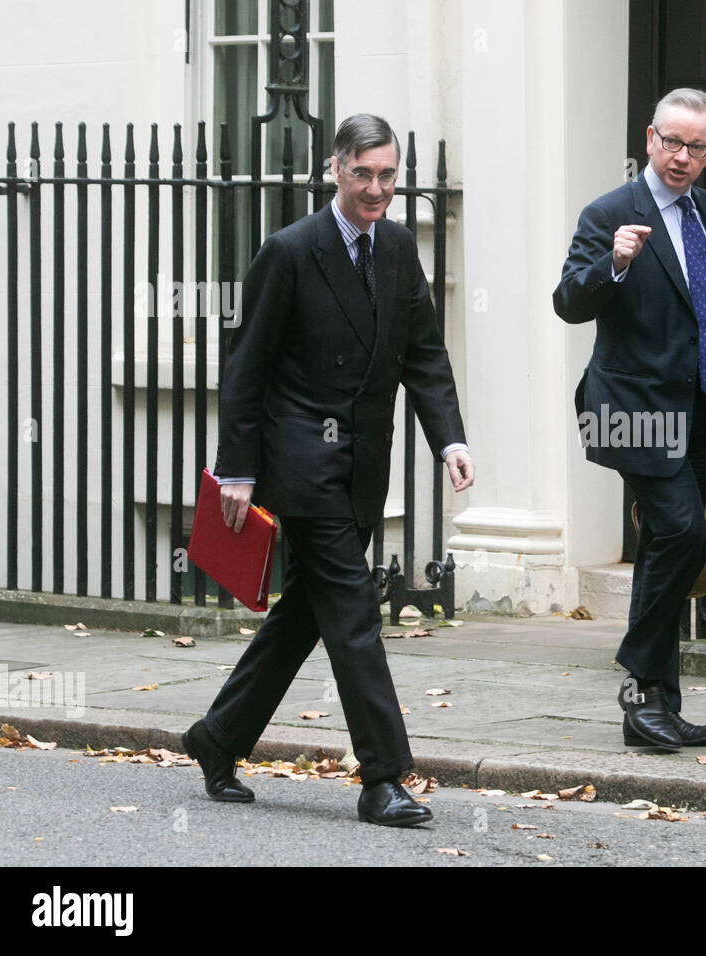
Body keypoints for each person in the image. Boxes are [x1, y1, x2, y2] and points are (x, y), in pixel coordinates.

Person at [182, 113, 473, 828]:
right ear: (334, 170)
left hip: (363, 466)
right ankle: (383, 777)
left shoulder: (400, 248)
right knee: (352, 614)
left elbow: (424, 355)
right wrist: (240, 469)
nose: (376, 189)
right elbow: (245, 367)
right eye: (363, 173)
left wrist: (450, 441)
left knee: (305, 615)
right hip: (302, 463)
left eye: (388, 176)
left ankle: (216, 738)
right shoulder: (289, 251)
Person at [553, 88, 706, 750]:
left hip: (697, 406)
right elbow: (567, 302)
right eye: (671, 141)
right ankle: (639, 679)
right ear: (649, 138)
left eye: (696, 147)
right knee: (683, 535)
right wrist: (612, 264)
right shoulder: (610, 212)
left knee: (666, 551)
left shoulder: (705, 208)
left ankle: (657, 707)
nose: (681, 156)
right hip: (632, 409)